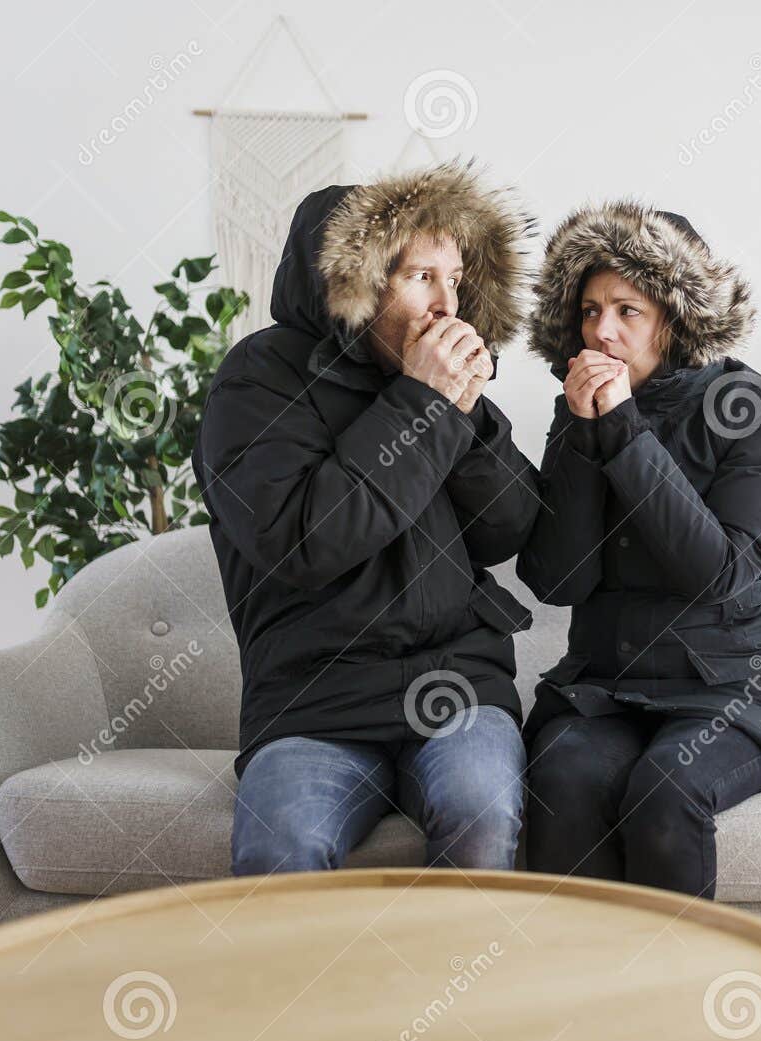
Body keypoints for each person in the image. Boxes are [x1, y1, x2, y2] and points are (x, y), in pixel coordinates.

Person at [192, 160, 541, 876]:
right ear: (353, 286)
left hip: (458, 685)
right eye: (422, 278)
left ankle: (454, 990)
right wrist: (421, 404)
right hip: (313, 704)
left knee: (482, 808)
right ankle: (307, 994)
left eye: (456, 278)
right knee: (281, 842)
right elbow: (308, 540)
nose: (449, 304)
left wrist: (463, 417)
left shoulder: (441, 381)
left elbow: (514, 530)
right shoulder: (255, 381)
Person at [516, 200, 761, 899]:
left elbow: (720, 572)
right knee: (562, 779)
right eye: (590, 311)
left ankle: (673, 1002)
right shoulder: (579, 410)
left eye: (628, 310)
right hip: (605, 689)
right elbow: (557, 578)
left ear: (677, 318)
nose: (602, 330)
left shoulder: (760, 408)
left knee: (664, 788)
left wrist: (624, 429)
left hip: (733, 688)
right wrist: (579, 432)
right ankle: (574, 1000)